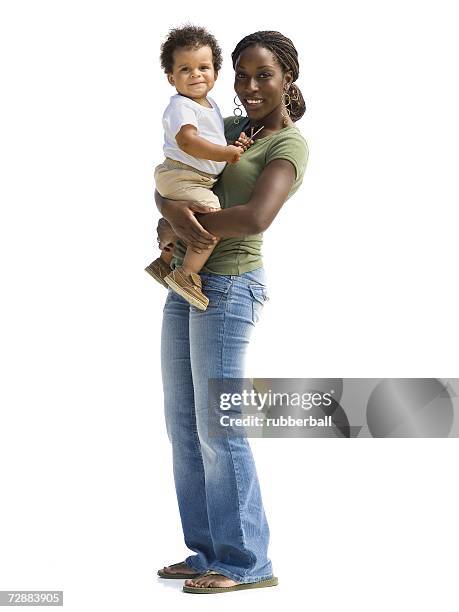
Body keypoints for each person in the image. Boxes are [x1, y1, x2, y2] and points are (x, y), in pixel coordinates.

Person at [154, 30, 309, 594]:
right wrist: (170, 210)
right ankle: (206, 553)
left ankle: (247, 561)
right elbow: (174, 176)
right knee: (184, 425)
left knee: (220, 427)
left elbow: (253, 216)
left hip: (231, 286)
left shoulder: (286, 147)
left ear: (287, 78)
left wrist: (180, 223)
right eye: (240, 74)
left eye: (262, 74)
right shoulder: (231, 130)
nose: (248, 86)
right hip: (186, 281)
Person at [144, 25, 252, 310]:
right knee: (211, 217)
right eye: (185, 69)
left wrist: (233, 145)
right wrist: (226, 153)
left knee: (187, 217)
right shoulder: (182, 106)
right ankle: (186, 274)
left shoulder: (210, 105)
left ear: (216, 73)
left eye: (203, 67)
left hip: (189, 177)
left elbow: (212, 140)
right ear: (171, 77)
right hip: (183, 175)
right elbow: (189, 142)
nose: (196, 75)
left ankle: (166, 259)